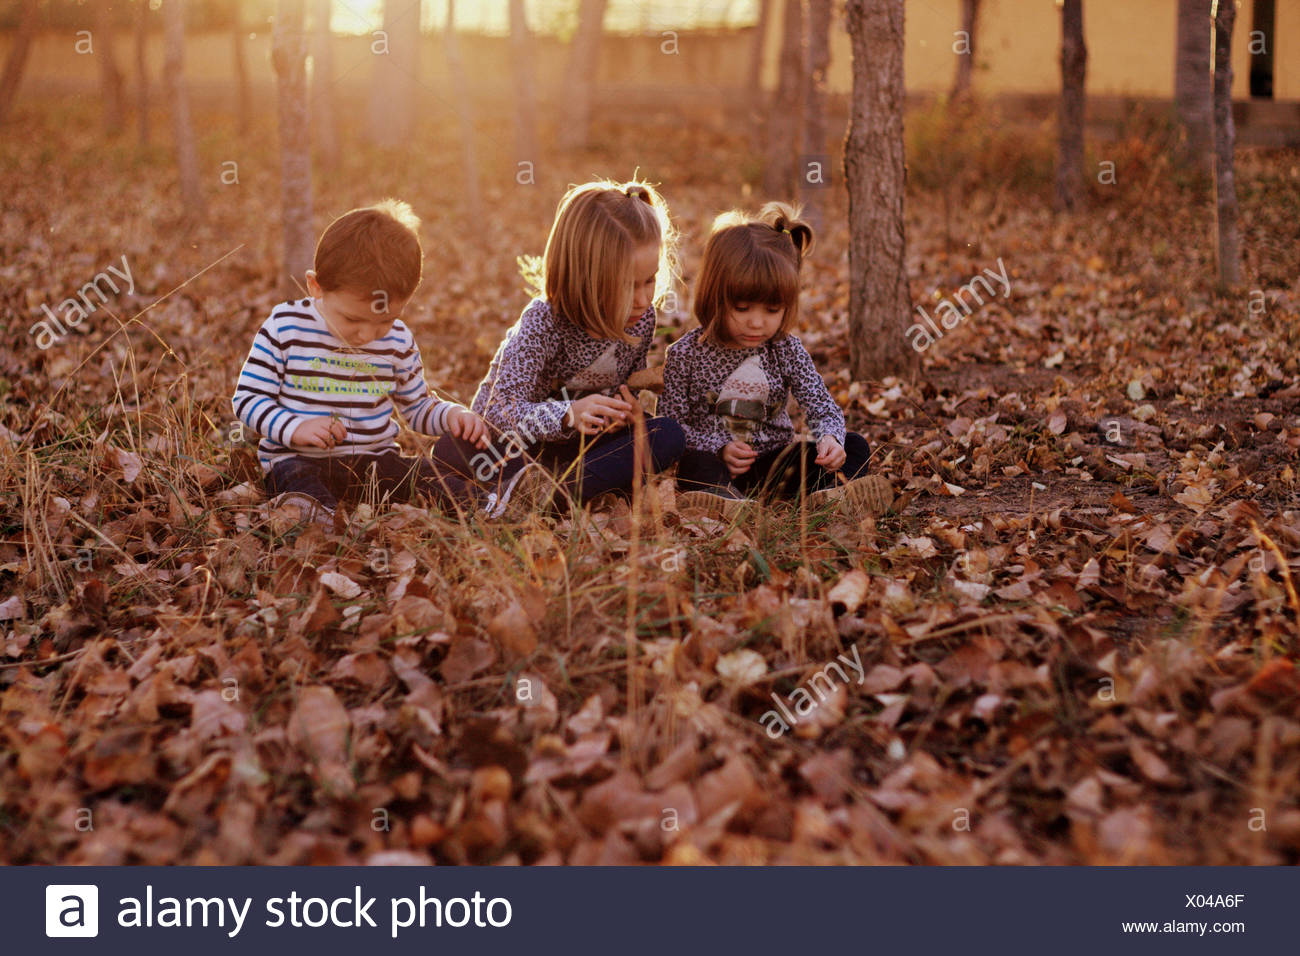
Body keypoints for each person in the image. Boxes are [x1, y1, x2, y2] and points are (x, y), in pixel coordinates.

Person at [231, 199, 543, 529]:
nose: (368, 334)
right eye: (352, 319)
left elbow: (417, 408)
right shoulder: (286, 326)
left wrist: (451, 415)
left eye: (386, 320)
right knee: (296, 480)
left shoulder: (397, 340)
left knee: (421, 473)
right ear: (316, 286)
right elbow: (248, 400)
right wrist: (295, 427)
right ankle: (311, 519)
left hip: (373, 463)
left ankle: (491, 504)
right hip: (295, 458)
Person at [432, 180, 685, 510]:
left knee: (666, 435)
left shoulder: (642, 318)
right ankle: (547, 491)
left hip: (579, 453)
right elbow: (500, 412)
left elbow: (624, 391)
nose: (641, 300)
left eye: (649, 281)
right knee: (454, 449)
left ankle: (551, 495)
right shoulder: (544, 320)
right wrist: (568, 414)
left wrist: (627, 414)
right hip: (517, 447)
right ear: (583, 276)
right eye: (625, 286)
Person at [660, 202, 892, 521]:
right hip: (719, 465)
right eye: (743, 308)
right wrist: (719, 446)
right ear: (715, 295)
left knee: (854, 445)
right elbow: (672, 427)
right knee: (695, 465)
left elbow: (821, 406)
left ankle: (831, 499)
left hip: (776, 464)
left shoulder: (785, 349)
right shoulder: (685, 354)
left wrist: (830, 439)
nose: (757, 323)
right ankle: (727, 506)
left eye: (772, 311)